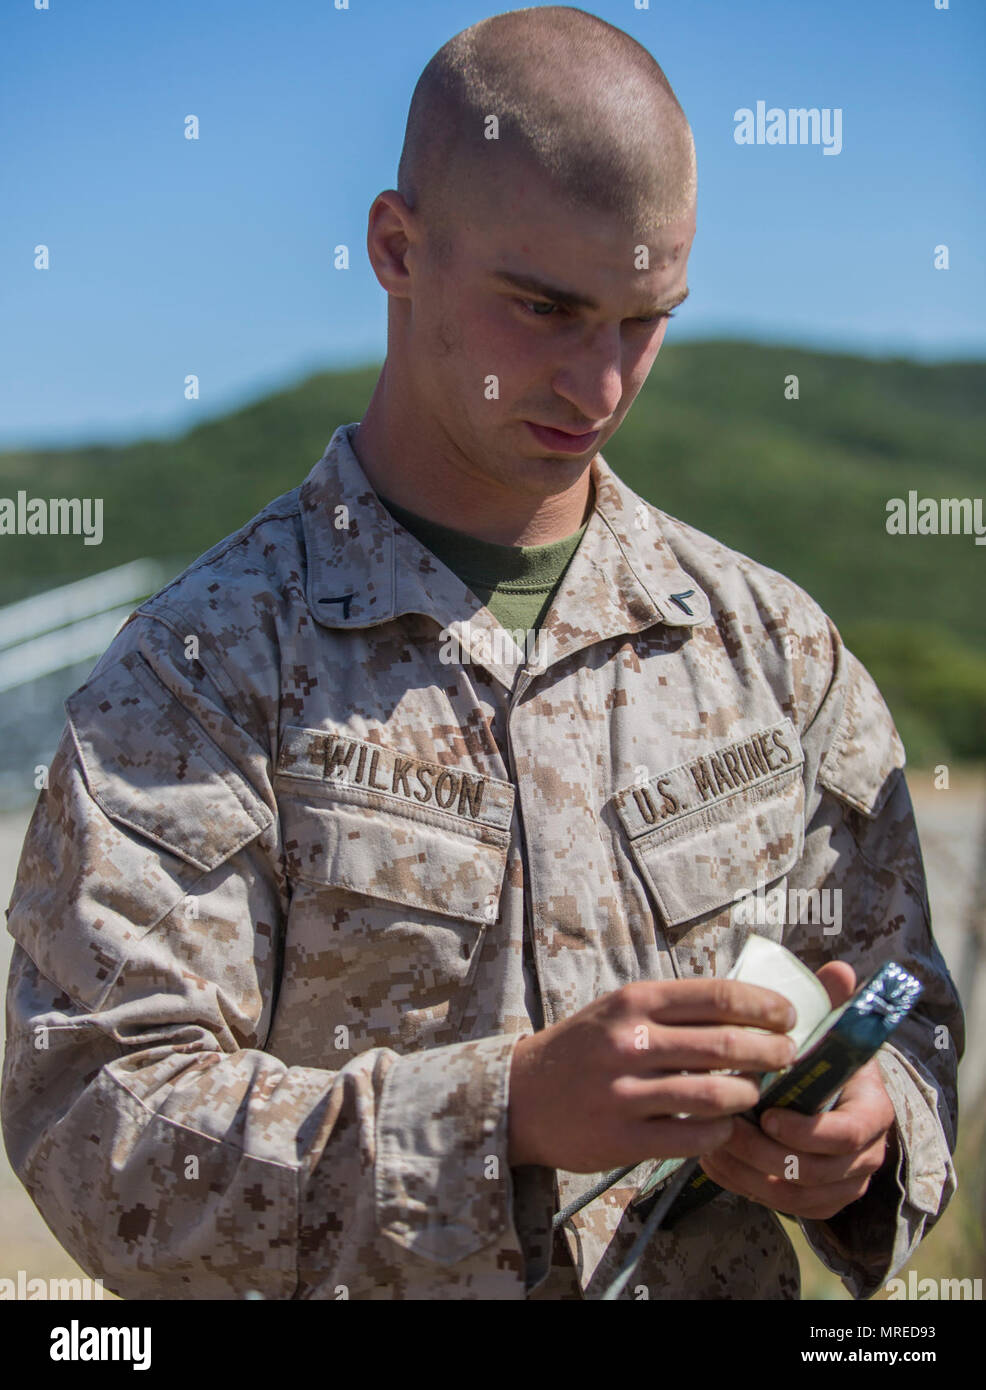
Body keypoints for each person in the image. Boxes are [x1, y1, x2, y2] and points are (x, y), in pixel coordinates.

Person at [1, 6, 963, 1300]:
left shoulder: (769, 649)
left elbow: (906, 1008)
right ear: (396, 247)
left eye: (644, 318)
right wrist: (497, 1114)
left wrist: (862, 1135)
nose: (601, 383)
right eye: (545, 308)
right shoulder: (199, 670)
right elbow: (96, 1128)